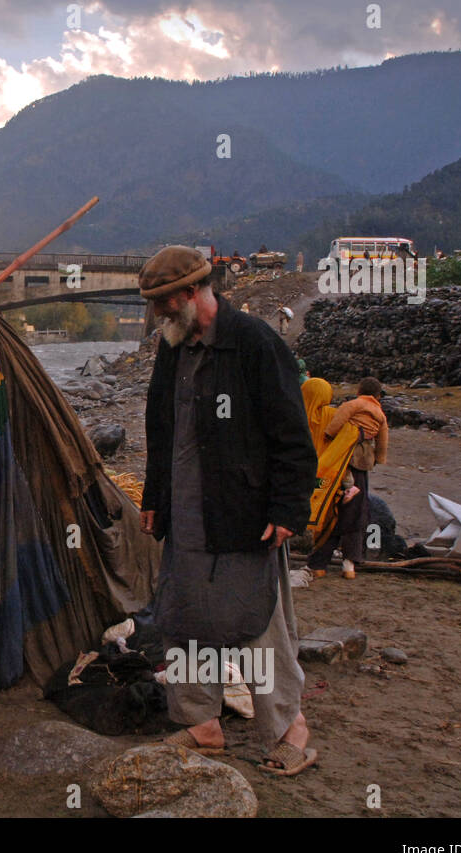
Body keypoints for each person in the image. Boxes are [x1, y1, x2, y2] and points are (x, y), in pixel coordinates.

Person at [138, 245, 319, 776]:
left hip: (245, 514)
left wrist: (289, 507)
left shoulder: (254, 343)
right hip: (187, 515)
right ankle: (202, 724)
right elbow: (160, 429)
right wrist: (154, 498)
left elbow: (292, 434)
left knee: (258, 622)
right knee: (185, 617)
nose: (157, 315)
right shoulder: (174, 347)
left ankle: (291, 730)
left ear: (193, 293)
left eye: (163, 303)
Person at [320, 376, 389, 579]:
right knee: (358, 510)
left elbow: (337, 422)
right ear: (377, 395)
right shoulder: (380, 414)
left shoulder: (353, 404)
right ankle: (350, 564)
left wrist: (328, 436)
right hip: (363, 462)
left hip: (343, 459)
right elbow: (383, 440)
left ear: (359, 391)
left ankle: (319, 562)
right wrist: (378, 459)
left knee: (333, 507)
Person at [301, 377, 363, 578]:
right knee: (332, 517)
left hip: (302, 476)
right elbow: (352, 432)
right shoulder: (332, 415)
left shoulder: (295, 416)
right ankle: (339, 566)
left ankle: (315, 564)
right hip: (328, 478)